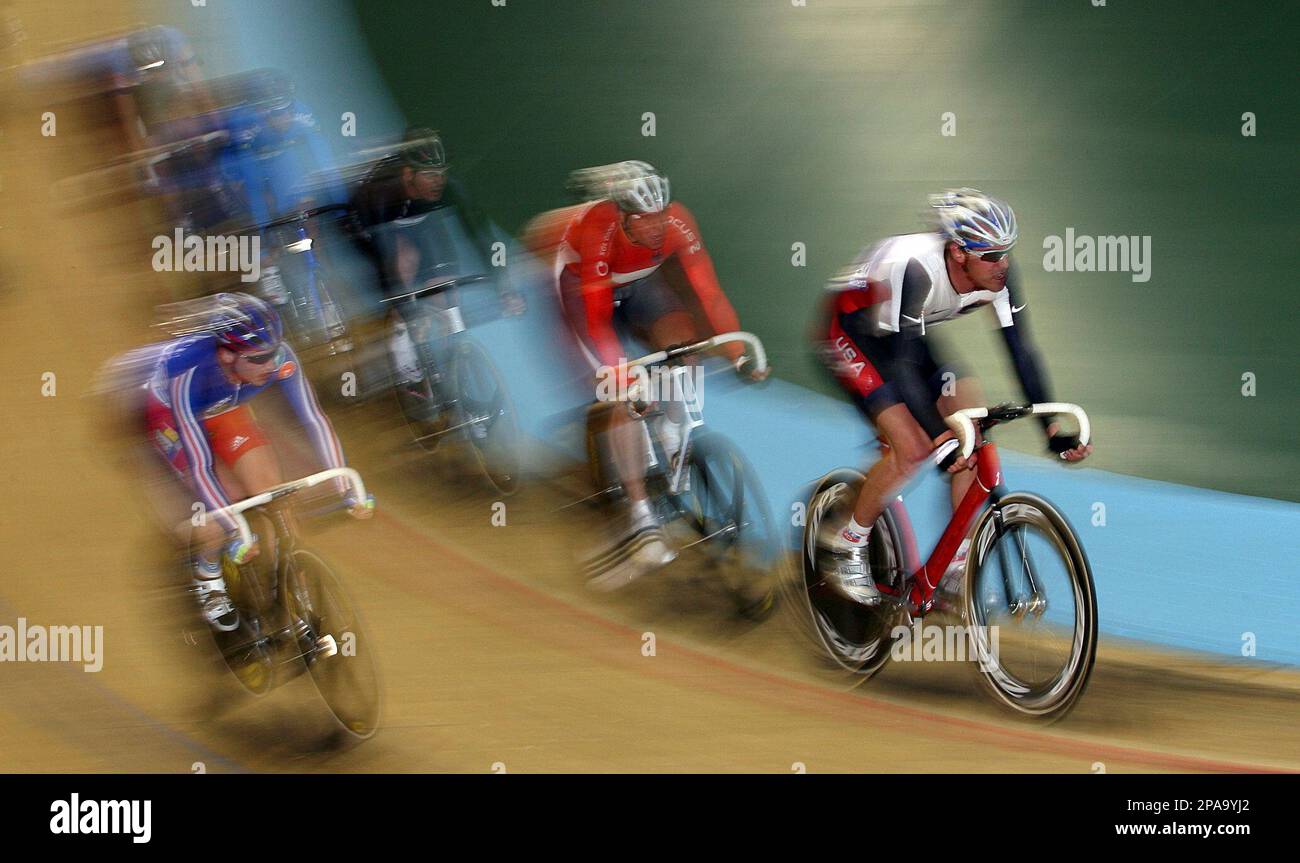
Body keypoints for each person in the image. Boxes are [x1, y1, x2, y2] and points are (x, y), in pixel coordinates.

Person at [815, 188, 1091, 605]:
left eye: (1007, 253)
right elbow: (900, 366)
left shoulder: (999, 276)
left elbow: (1022, 351)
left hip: (903, 337)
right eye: (992, 255)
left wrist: (1049, 428)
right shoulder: (916, 269)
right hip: (851, 332)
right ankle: (847, 544)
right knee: (913, 448)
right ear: (960, 252)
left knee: (971, 417)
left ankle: (954, 560)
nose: (1004, 265)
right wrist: (938, 439)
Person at [549, 160, 767, 589]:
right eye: (645, 221)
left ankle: (673, 434)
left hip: (639, 283)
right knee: (621, 392)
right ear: (623, 217)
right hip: (585, 289)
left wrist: (738, 351)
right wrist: (625, 382)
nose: (655, 227)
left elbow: (709, 292)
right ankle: (641, 519)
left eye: (661, 217)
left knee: (684, 342)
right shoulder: (598, 229)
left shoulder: (678, 223)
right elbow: (597, 324)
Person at [143, 293, 372, 632]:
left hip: (224, 408)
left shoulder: (278, 359)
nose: (271, 364)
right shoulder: (187, 374)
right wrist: (234, 527)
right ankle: (208, 578)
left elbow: (314, 420)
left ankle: (290, 588)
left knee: (276, 497)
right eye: (260, 357)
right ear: (226, 355)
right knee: (220, 515)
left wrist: (345, 486)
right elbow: (200, 465)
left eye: (275, 352)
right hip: (173, 418)